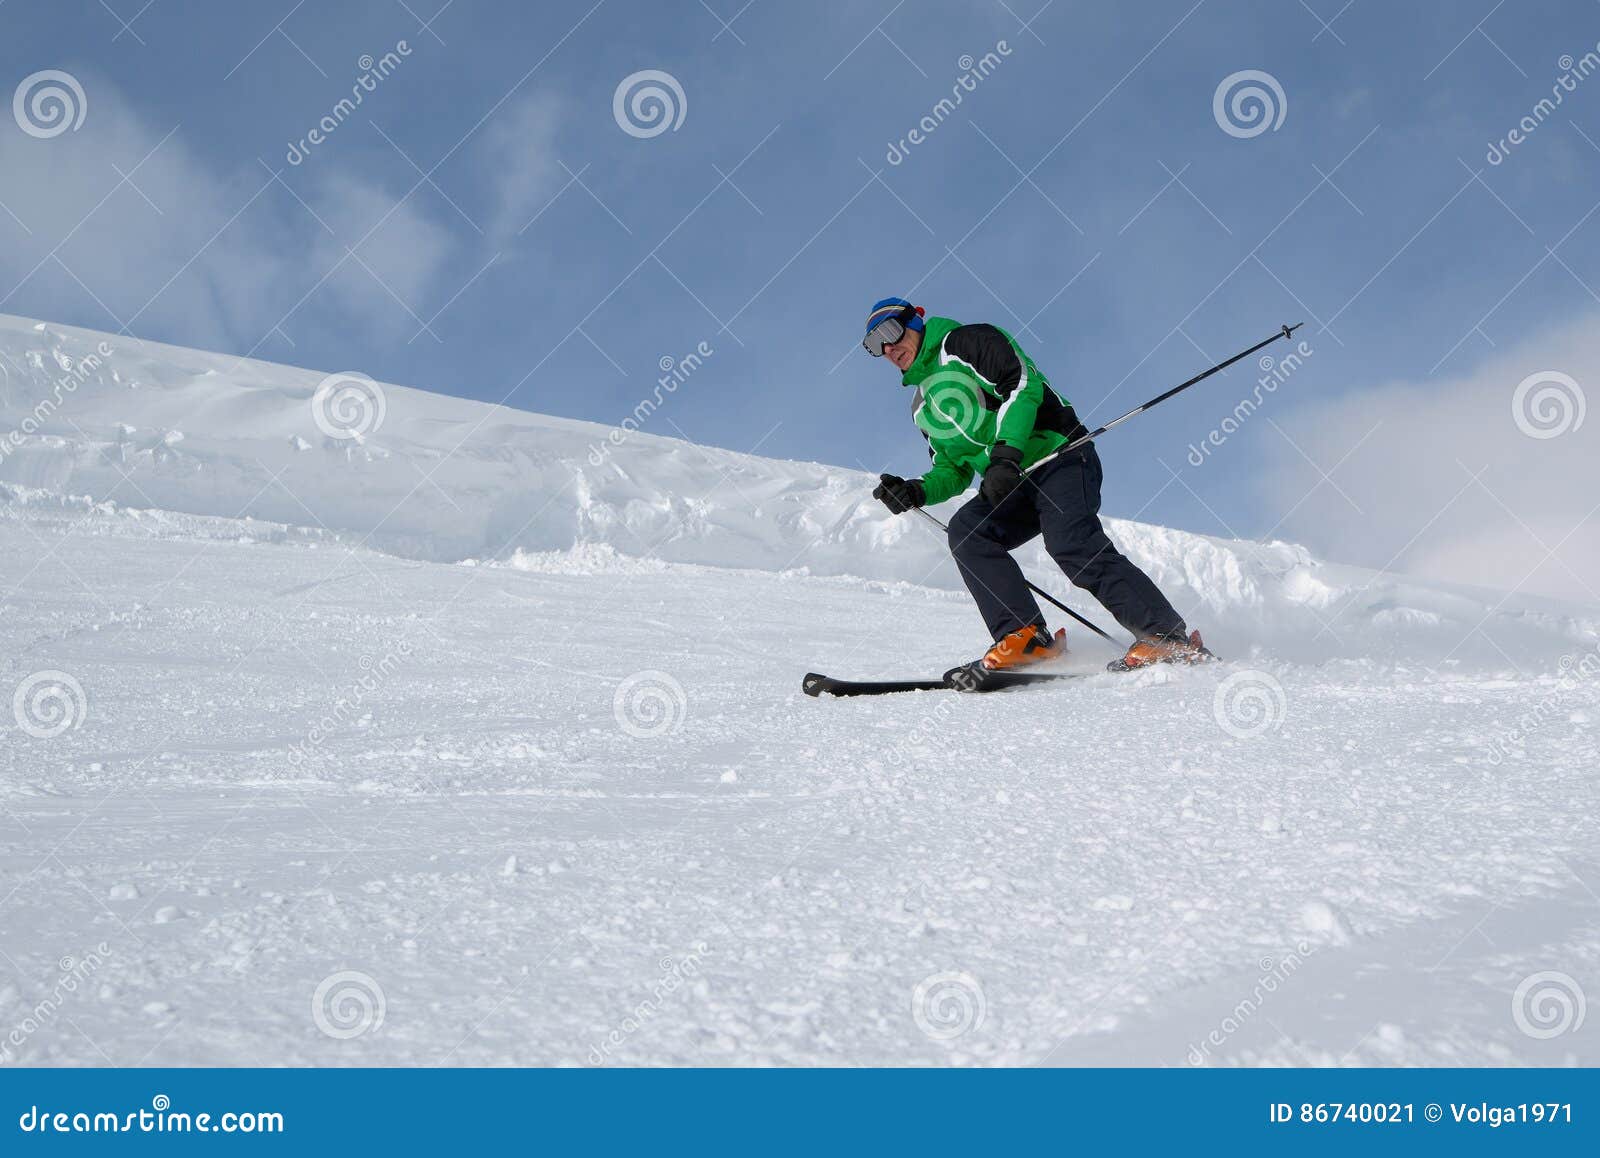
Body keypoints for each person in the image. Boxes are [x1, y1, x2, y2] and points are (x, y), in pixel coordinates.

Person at [862, 297, 1208, 672]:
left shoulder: (965, 342)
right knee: (968, 531)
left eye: (889, 332)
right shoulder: (921, 406)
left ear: (916, 320)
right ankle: (1026, 638)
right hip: (1010, 482)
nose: (887, 348)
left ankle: (1166, 637)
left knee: (1070, 543)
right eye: (873, 346)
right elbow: (952, 468)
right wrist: (917, 490)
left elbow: (1022, 385)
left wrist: (1006, 455)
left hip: (1059, 456)